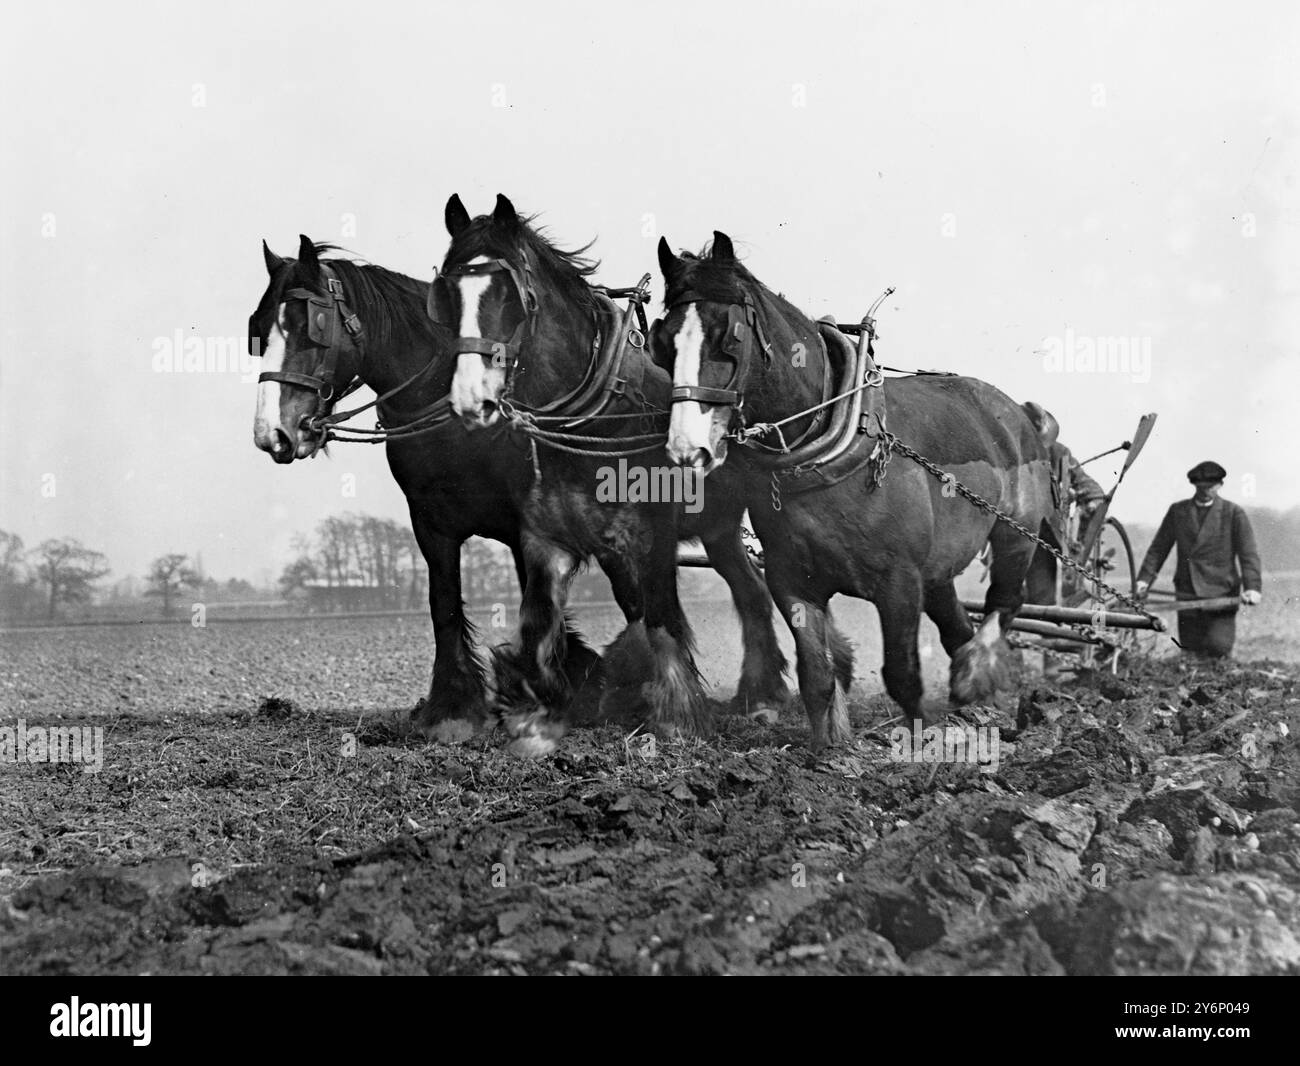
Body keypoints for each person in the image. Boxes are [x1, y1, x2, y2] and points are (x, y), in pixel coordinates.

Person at [1136, 460, 1263, 658]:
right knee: (1191, 651)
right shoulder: (1178, 511)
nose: (1205, 492)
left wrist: (1252, 587)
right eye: (1200, 487)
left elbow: (1248, 554)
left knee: (1218, 647)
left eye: (1210, 487)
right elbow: (1158, 549)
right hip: (1187, 591)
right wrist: (1143, 581)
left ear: (1220, 485)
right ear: (1194, 486)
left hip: (1221, 593)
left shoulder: (1233, 513)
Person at [1020, 402, 1108, 604]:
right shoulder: (1007, 454)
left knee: (1041, 594)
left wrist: (1092, 502)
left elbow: (1089, 487)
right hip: (1013, 533)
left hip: (1045, 538)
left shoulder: (1060, 455)